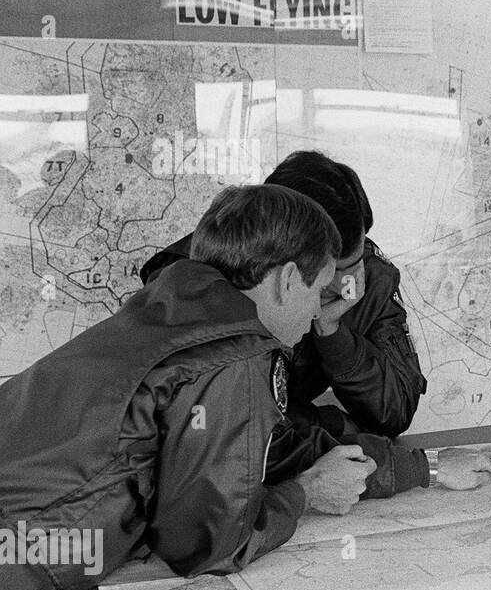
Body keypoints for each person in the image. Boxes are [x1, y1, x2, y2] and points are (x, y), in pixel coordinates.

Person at [0, 184, 491, 590]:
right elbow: (202, 544)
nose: (319, 311)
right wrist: (304, 496)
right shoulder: (237, 355)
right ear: (289, 279)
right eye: (320, 291)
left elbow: (279, 444)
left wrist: (417, 468)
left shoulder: (176, 305)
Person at [141, 150, 427, 439]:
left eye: (349, 268)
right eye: (323, 276)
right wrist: (333, 425)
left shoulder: (370, 272)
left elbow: (396, 409)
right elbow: (235, 426)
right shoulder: (198, 278)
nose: (341, 287)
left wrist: (333, 335)